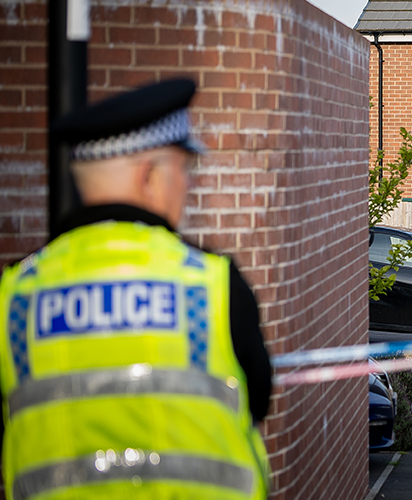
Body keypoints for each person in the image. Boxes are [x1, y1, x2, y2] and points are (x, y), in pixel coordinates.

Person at [0, 78, 271, 499]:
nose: (189, 184)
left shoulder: (14, 296)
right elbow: (256, 403)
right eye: (185, 169)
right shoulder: (211, 284)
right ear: (149, 176)